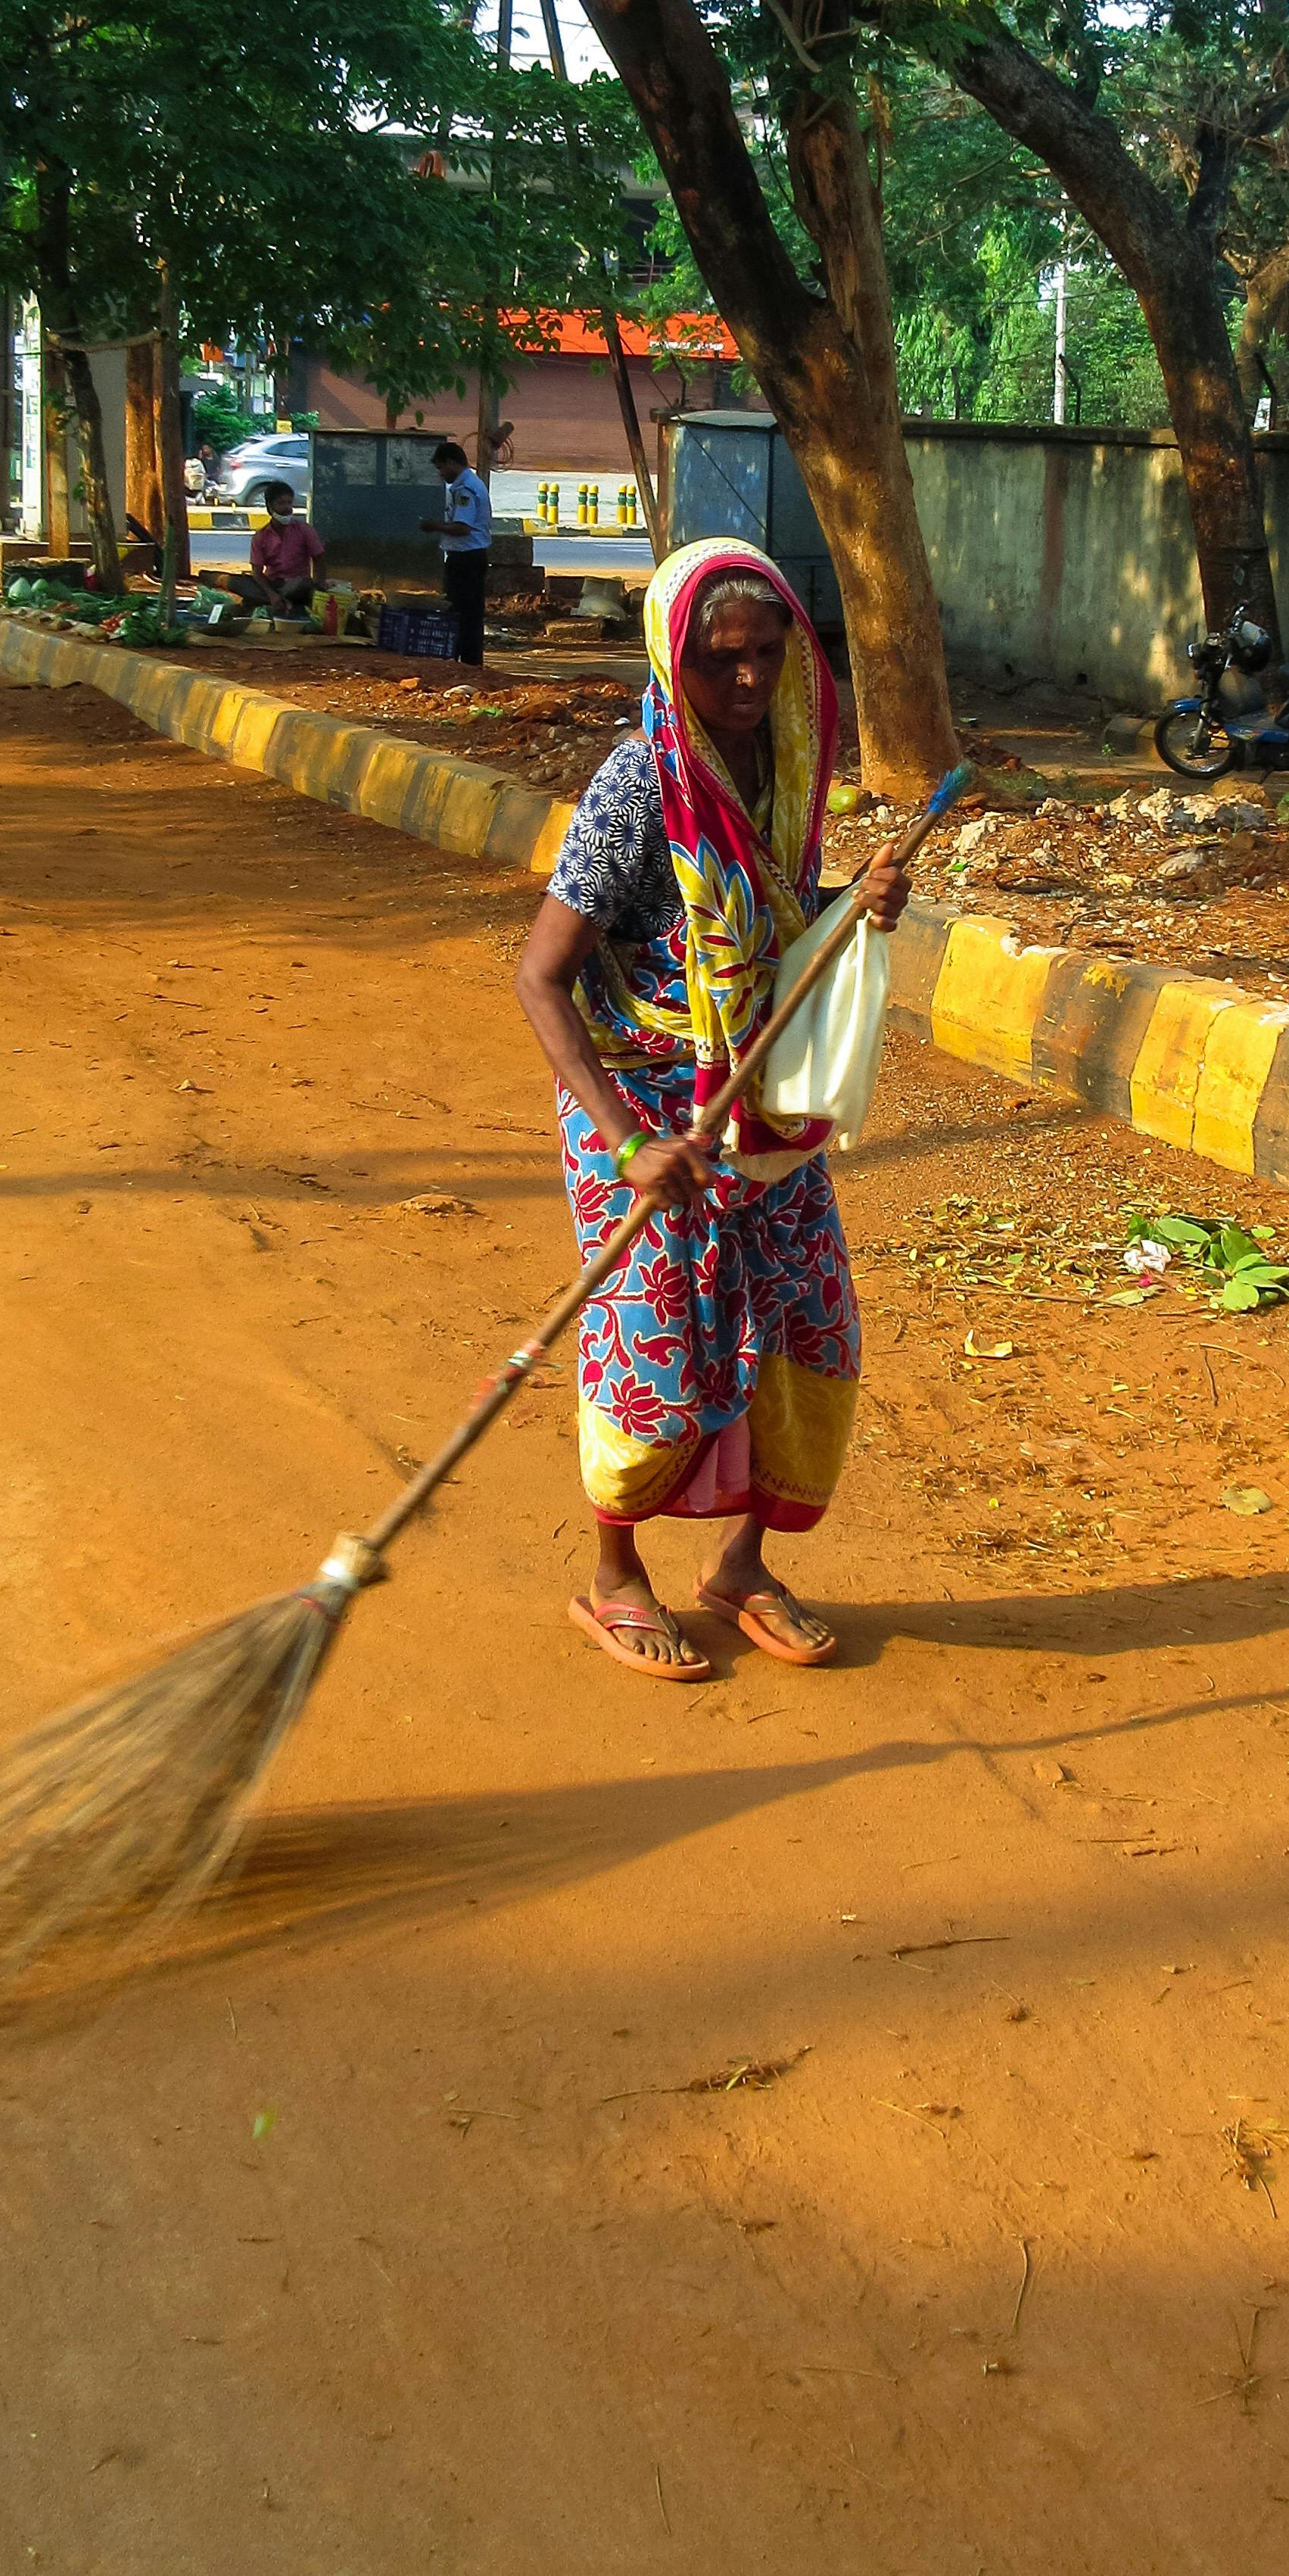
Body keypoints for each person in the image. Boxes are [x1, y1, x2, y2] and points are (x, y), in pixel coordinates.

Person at [513, 540, 909, 1679]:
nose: (744, 680)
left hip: (758, 1097)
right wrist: (631, 1142)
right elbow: (541, 975)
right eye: (717, 659)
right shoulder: (639, 784)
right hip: (641, 1101)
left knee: (806, 1324)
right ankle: (614, 1574)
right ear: (671, 658)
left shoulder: (785, 762)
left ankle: (742, 1565)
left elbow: (773, 920)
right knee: (656, 1340)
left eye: (766, 655)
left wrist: (857, 906)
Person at [421, 435, 493, 664]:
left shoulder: (466, 489)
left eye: (442, 468)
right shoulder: (467, 485)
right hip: (464, 557)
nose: (441, 474)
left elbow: (463, 527)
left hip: (466, 558)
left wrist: (435, 527)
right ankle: (465, 659)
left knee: (466, 614)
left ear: (452, 463)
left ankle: (470, 663)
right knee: (461, 611)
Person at [235, 482, 324, 615]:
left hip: (298, 585)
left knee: (304, 584)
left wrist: (318, 587)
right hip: (272, 585)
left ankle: (276, 604)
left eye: (290, 503)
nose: (288, 508)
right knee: (237, 582)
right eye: (281, 503)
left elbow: (319, 560)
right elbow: (257, 573)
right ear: (270, 508)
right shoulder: (260, 537)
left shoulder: (305, 530)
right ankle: (281, 603)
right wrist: (272, 594)